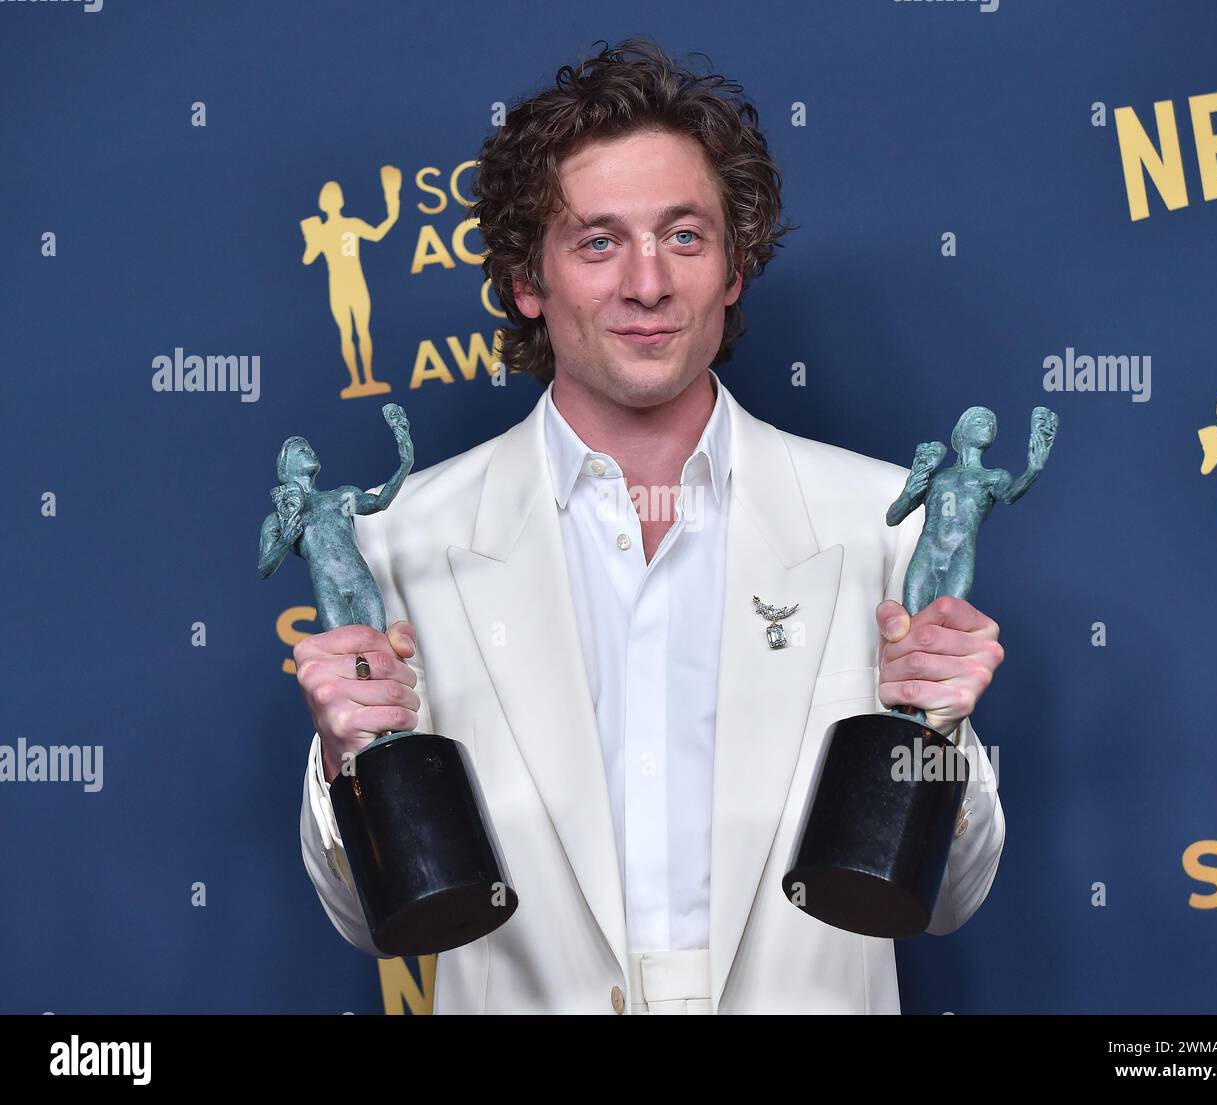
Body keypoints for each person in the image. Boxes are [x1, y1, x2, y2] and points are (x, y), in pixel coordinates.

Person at [295, 37, 1006, 1014]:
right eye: (598, 241)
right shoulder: (401, 542)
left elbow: (944, 902)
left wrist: (940, 733)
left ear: (732, 269)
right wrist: (346, 758)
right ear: (524, 282)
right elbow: (366, 915)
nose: (646, 284)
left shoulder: (883, 521)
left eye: (683, 236)